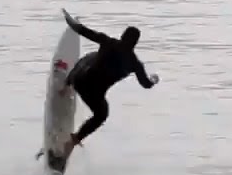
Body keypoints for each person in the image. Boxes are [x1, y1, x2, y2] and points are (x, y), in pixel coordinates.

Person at [58, 9, 159, 159]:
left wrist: (70, 20)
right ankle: (75, 139)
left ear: (122, 36)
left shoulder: (108, 42)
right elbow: (146, 84)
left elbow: (84, 31)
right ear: (135, 44)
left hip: (80, 81)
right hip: (94, 95)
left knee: (89, 58)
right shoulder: (135, 64)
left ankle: (65, 86)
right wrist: (154, 79)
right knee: (102, 114)